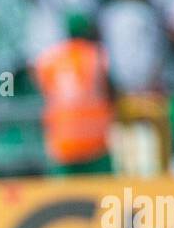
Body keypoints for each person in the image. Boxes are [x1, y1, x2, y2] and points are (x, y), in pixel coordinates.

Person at [33, 15, 114, 174]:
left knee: (65, 196)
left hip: (62, 139)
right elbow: (110, 90)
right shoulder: (96, 55)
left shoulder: (50, 59)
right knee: (101, 193)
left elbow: (45, 92)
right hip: (94, 141)